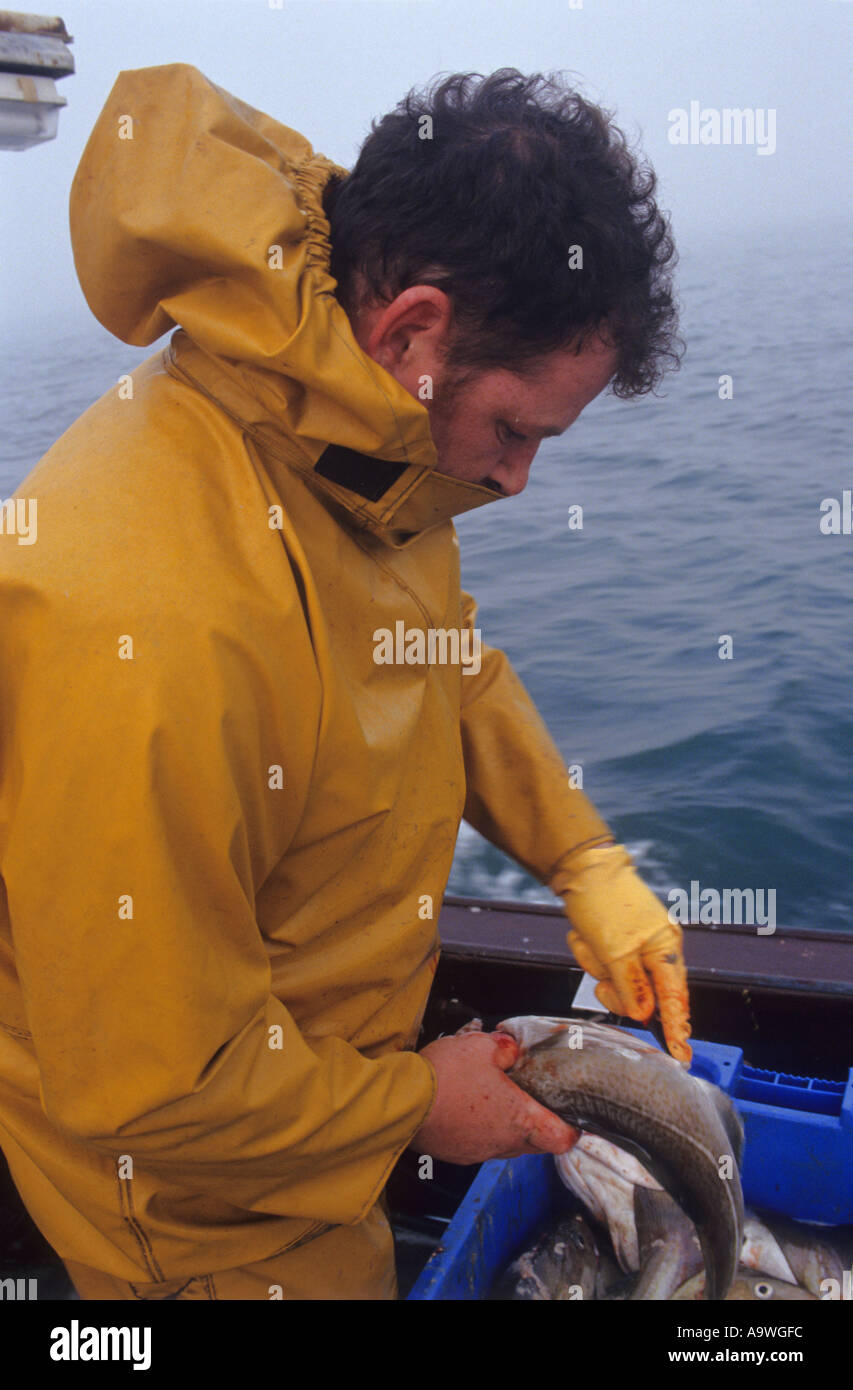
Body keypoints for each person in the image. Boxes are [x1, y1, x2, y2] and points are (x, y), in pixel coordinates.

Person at [0, 63, 688, 1301]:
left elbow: (439, 660)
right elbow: (151, 1083)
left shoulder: (363, 448)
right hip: (200, 1211)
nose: (519, 481)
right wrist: (421, 1103)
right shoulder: (150, 624)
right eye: (517, 430)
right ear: (412, 329)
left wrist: (582, 857)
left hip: (322, 1093)